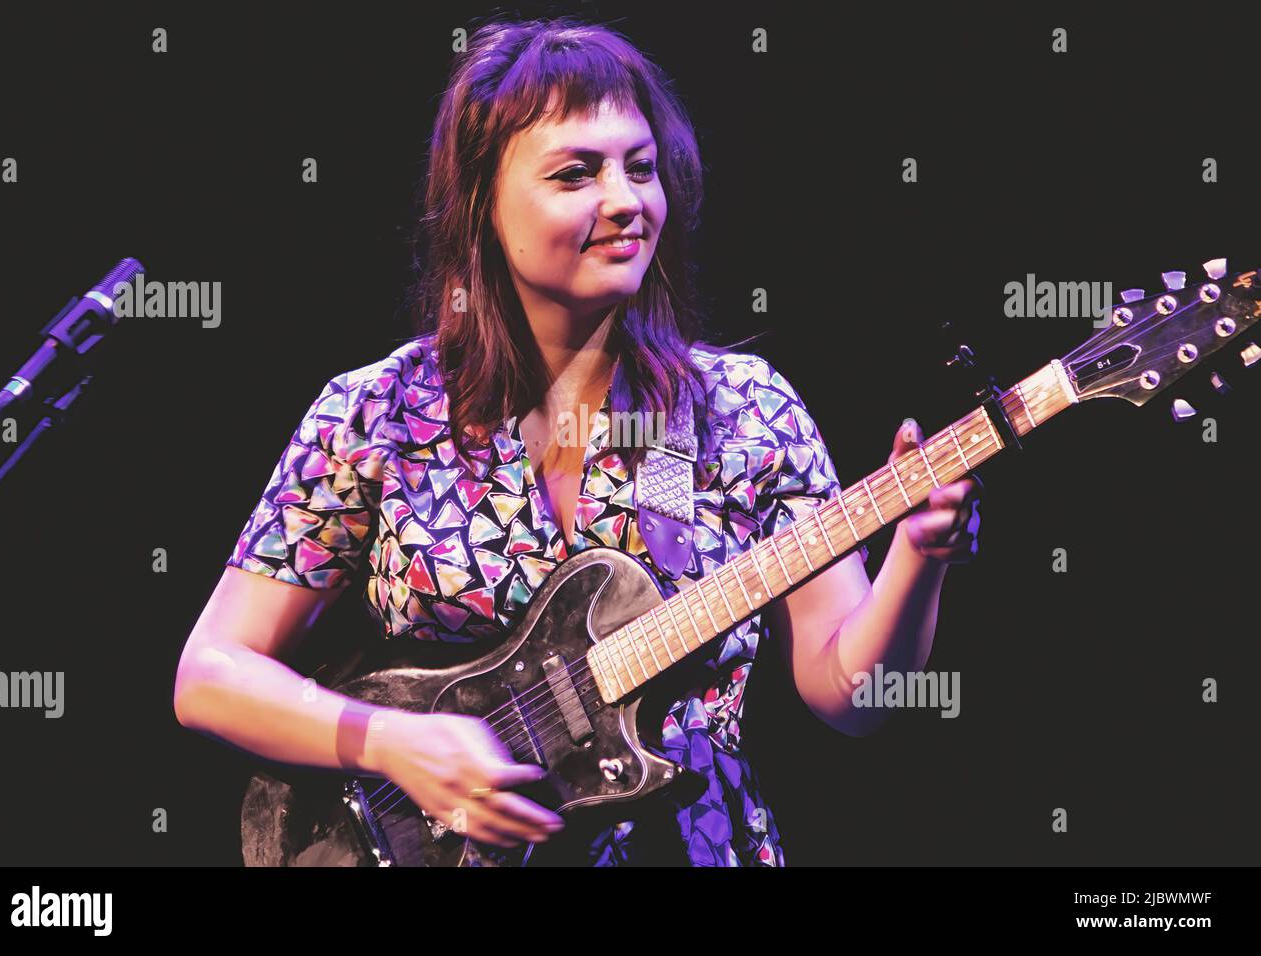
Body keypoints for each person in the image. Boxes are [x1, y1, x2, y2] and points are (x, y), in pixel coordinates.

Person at [173, 15, 982, 867]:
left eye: (641, 168)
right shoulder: (377, 413)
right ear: (481, 201)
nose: (627, 201)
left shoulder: (742, 408)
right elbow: (211, 675)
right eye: (576, 174)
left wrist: (917, 559)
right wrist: (393, 744)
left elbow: (848, 695)